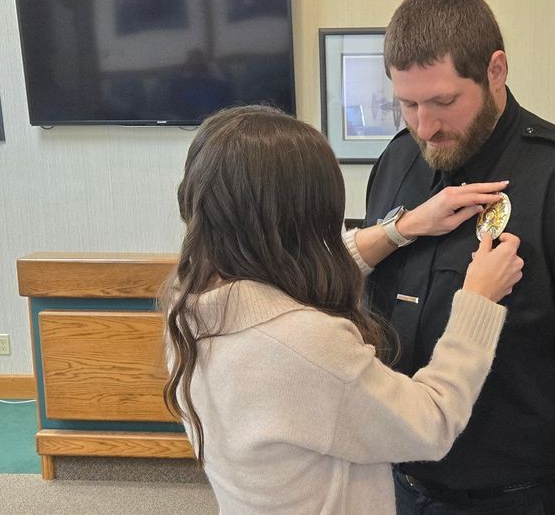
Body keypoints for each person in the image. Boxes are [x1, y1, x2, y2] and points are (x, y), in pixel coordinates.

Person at [361, 0, 555, 514]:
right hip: (401, 490)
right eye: (407, 104)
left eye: (444, 102)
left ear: (495, 71)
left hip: (521, 497)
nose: (425, 127)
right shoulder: (397, 165)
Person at [162, 105, 524, 514]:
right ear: (301, 219)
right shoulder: (304, 344)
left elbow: (284, 282)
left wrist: (399, 229)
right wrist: (478, 300)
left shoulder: (190, 305)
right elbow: (432, 421)